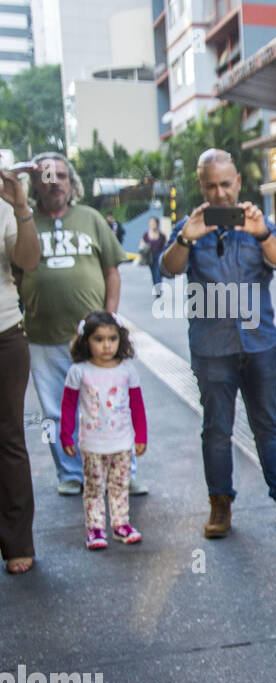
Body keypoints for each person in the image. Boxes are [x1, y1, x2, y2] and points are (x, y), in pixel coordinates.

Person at [159, 148, 276, 539]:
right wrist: (185, 237)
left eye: (226, 184)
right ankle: (220, 505)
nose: (220, 194)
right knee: (216, 428)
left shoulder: (256, 223)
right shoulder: (190, 226)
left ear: (238, 183)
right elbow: (167, 268)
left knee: (266, 425)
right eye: (211, 186)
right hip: (212, 348)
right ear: (201, 186)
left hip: (259, 344)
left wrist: (261, 232)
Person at [19, 152, 140, 497]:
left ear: (72, 183)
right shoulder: (23, 221)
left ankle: (124, 470)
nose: (55, 181)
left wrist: (111, 319)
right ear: (35, 184)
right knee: (57, 408)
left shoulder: (90, 218)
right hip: (43, 335)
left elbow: (112, 272)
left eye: (61, 175)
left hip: (94, 337)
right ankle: (72, 473)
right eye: (47, 176)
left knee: (111, 402)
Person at [60, 313, 147, 549]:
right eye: (99, 339)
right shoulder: (79, 371)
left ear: (121, 340)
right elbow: (67, 406)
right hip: (92, 443)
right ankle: (95, 528)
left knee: (120, 485)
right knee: (94, 487)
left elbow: (137, 405)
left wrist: (141, 436)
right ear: (85, 341)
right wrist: (65, 434)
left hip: (122, 442)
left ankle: (121, 524)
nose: (107, 345)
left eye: (112, 338)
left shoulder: (127, 370)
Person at [0, 162, 40, 574]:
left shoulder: (6, 207)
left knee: (8, 435)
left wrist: (21, 207)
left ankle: (17, 541)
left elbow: (28, 260)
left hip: (4, 334)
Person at [139, 216, 166, 292]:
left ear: (157, 224)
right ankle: (156, 286)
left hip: (159, 256)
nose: (152, 224)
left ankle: (158, 288)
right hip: (150, 257)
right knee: (154, 273)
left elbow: (165, 246)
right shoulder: (146, 235)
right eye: (150, 223)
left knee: (158, 272)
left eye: (153, 223)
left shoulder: (162, 235)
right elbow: (141, 245)